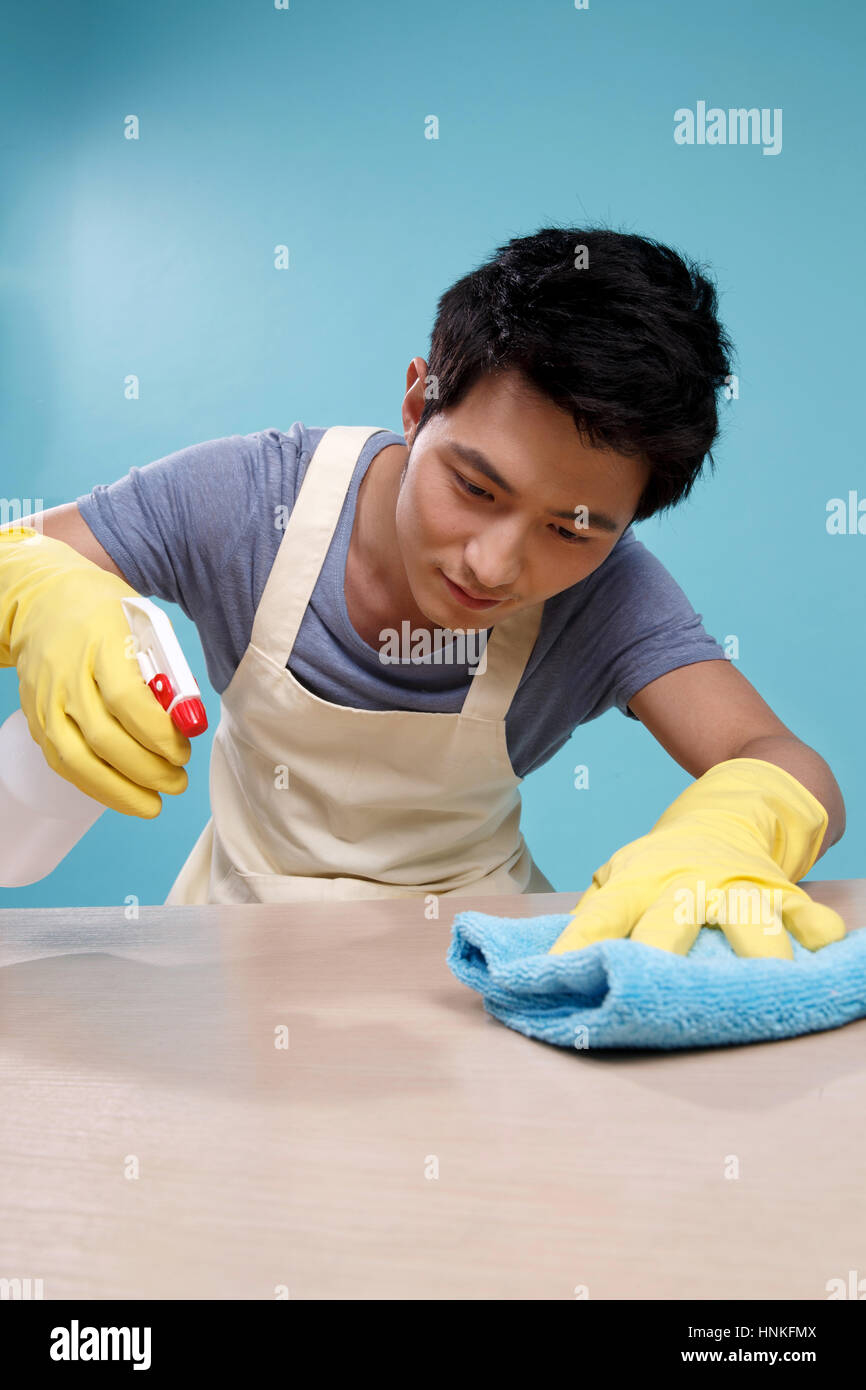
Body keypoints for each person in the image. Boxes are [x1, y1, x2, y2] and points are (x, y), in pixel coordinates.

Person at [0, 227, 846, 956]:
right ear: (418, 400)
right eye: (475, 489)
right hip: (229, 956)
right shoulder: (255, 501)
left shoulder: (610, 596)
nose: (493, 564)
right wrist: (40, 592)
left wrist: (731, 828)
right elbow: (14, 553)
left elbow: (781, 758)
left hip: (469, 971)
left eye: (572, 529)